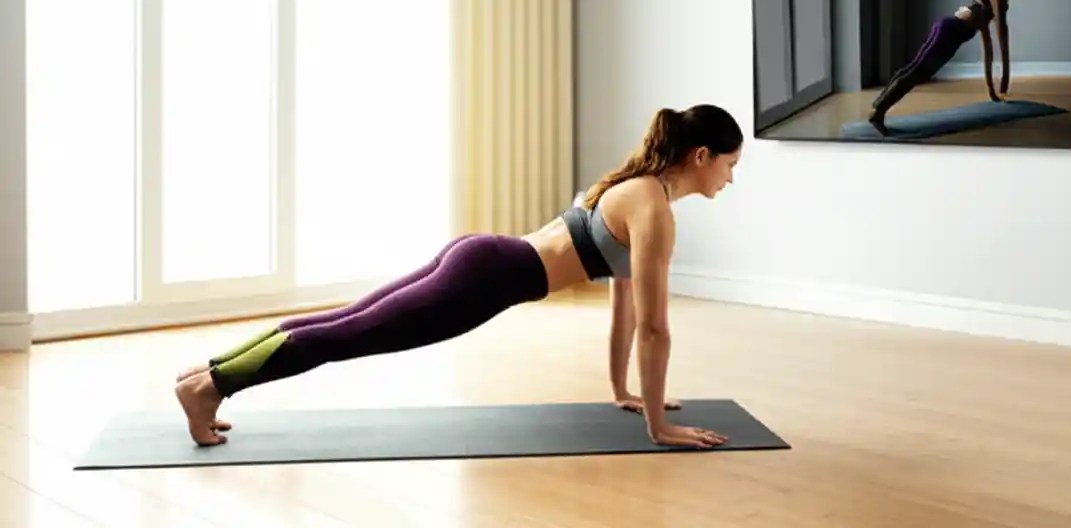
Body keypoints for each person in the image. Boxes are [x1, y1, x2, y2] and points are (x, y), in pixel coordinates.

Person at [174, 104, 744, 451]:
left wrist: (626, 393)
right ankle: (210, 388)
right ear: (701, 155)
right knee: (352, 335)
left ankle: (205, 373)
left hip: (483, 253)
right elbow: (654, 329)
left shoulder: (635, 187)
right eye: (730, 165)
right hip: (489, 278)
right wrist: (658, 429)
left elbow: (626, 313)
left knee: (341, 320)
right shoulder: (655, 211)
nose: (730, 180)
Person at [868, 0, 1011, 135]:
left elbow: (989, 44)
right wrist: (1005, 74)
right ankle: (879, 110)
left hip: (946, 26)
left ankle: (879, 106)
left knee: (915, 68)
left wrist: (991, 88)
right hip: (950, 32)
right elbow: (1001, 32)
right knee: (919, 71)